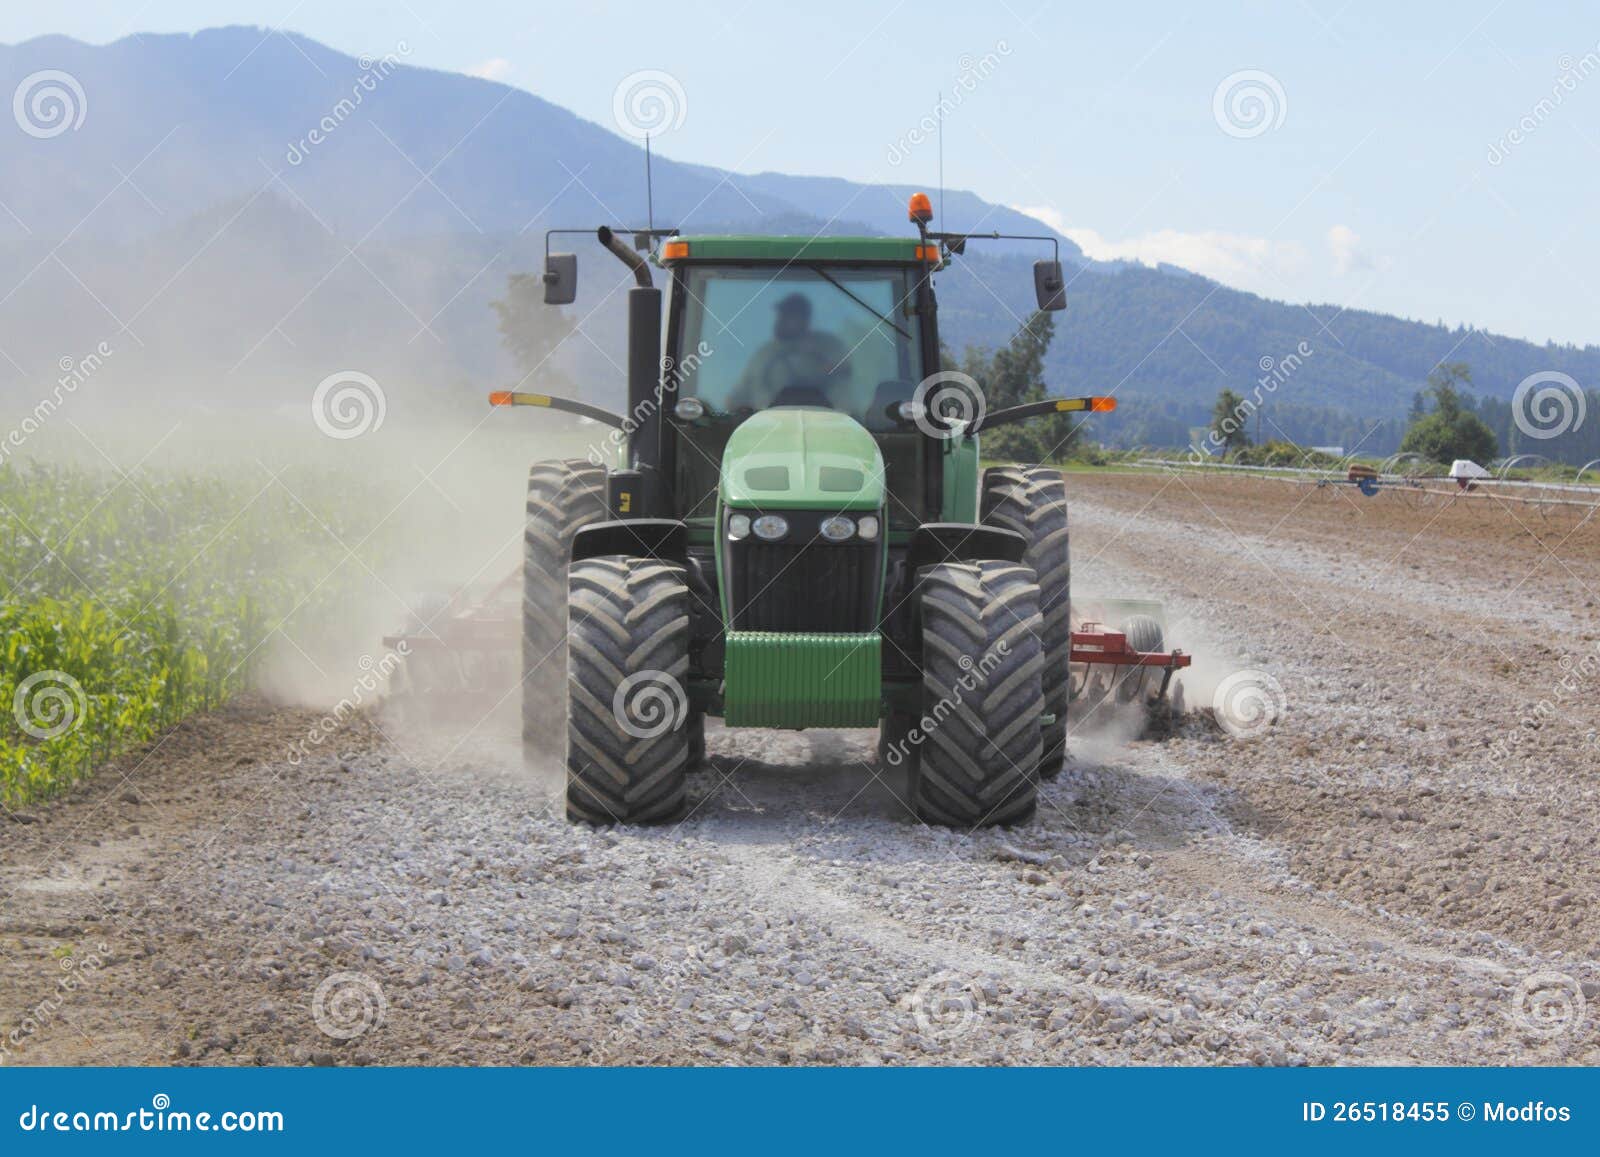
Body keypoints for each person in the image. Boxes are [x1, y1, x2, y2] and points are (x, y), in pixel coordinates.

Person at [727, 292, 850, 410]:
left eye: (789, 315)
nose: (781, 320)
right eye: (781, 315)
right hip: (766, 427)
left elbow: (844, 371)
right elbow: (739, 396)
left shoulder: (828, 346)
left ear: (804, 319)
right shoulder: (765, 354)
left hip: (826, 424)